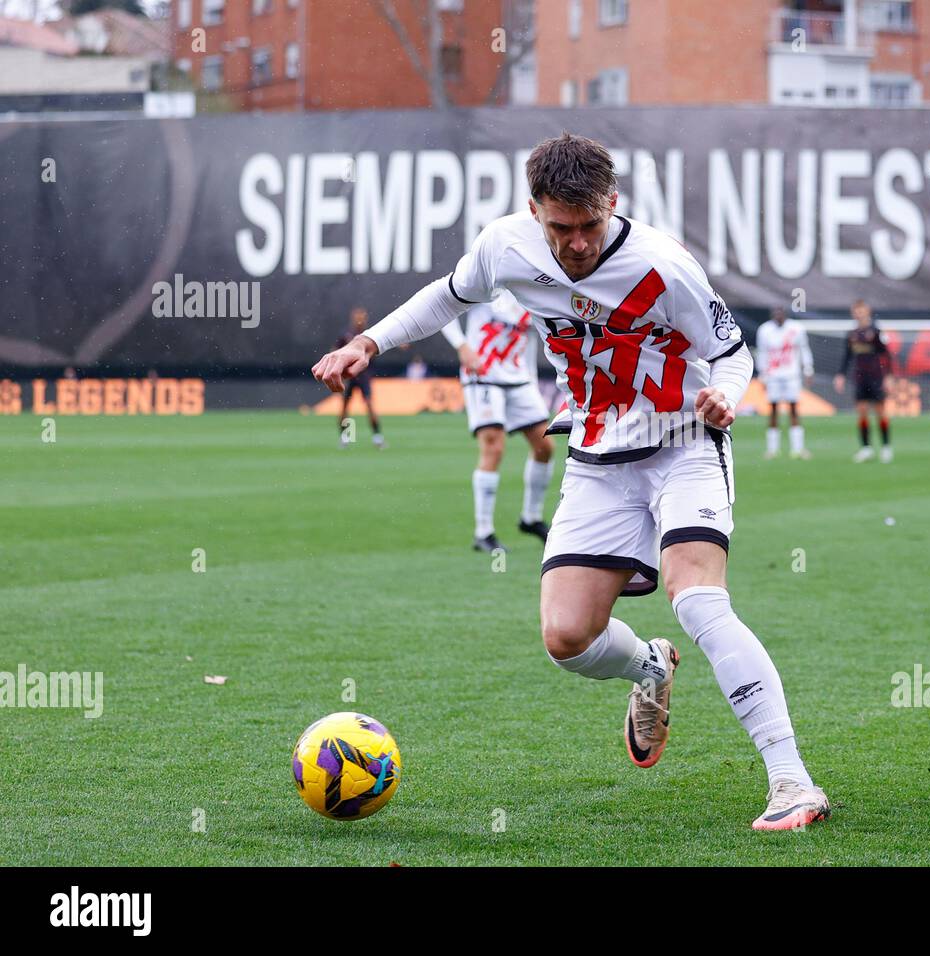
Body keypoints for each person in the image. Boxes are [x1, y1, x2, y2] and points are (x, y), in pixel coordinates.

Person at [311, 133, 828, 830]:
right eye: (562, 227)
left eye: (591, 225)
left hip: (683, 443)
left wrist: (725, 397)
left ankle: (792, 782)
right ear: (535, 210)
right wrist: (367, 343)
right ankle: (649, 667)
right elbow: (448, 296)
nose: (578, 243)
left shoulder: (664, 265)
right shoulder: (507, 246)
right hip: (595, 455)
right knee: (566, 637)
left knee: (698, 599)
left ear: (613, 204)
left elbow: (730, 351)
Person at [440, 287, 555, 553]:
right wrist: (462, 346)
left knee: (545, 446)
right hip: (482, 375)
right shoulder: (489, 286)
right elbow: (443, 308)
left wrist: (532, 381)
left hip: (519, 377)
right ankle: (484, 531)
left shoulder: (531, 291)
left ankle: (531, 518)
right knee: (494, 447)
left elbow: (528, 343)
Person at [833, 300, 894, 462]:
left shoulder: (875, 331)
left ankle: (886, 447)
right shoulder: (852, 334)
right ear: (853, 313)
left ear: (867, 311)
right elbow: (847, 357)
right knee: (862, 412)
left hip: (876, 377)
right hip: (860, 377)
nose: (859, 313)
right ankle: (866, 448)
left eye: (862, 310)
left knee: (880, 412)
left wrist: (888, 376)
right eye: (856, 311)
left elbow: (886, 355)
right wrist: (840, 375)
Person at [756, 307, 815, 459]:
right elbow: (762, 353)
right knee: (773, 409)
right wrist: (762, 374)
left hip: (791, 375)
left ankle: (797, 449)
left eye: (781, 313)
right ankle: (773, 449)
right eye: (776, 313)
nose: (778, 316)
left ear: (786, 315)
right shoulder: (764, 330)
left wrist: (808, 369)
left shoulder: (796, 328)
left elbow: (804, 350)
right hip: (773, 376)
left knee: (794, 408)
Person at [336, 307, 385, 449]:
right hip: (349, 376)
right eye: (357, 317)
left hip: (364, 376)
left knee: (369, 405)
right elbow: (335, 351)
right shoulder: (346, 336)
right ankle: (346, 438)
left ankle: (377, 437)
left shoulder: (369, 335)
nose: (359, 320)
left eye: (362, 317)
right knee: (345, 408)